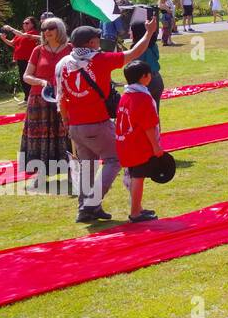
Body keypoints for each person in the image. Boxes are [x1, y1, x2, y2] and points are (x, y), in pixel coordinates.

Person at [57, 15, 158, 223]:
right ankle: (91, 204)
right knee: (116, 158)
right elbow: (134, 53)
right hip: (97, 122)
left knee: (87, 167)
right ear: (91, 43)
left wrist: (67, 122)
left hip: (75, 124)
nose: (98, 42)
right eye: (96, 40)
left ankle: (86, 209)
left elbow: (61, 97)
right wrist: (148, 33)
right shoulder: (99, 60)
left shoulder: (63, 64)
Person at [20, 17, 72, 186]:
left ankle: (72, 173)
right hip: (39, 100)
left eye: (51, 27)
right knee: (40, 138)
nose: (46, 31)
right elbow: (26, 76)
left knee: (66, 136)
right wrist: (41, 82)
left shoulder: (71, 49)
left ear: (60, 29)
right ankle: (40, 174)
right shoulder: (38, 50)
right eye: (43, 29)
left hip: (65, 99)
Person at [114, 60, 165, 222]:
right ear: (144, 77)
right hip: (138, 144)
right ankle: (135, 212)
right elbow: (148, 126)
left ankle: (138, 208)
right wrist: (156, 147)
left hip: (125, 142)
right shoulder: (142, 98)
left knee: (133, 176)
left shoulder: (126, 95)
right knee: (138, 177)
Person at [1, 17, 39, 101]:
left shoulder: (33, 33)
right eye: (23, 23)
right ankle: (27, 98)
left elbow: (24, 36)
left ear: (32, 24)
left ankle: (31, 97)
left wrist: (10, 28)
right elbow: (12, 43)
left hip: (29, 59)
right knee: (23, 78)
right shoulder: (20, 34)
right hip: (20, 59)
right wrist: (4, 39)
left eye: (27, 23)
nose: (24, 25)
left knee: (28, 78)